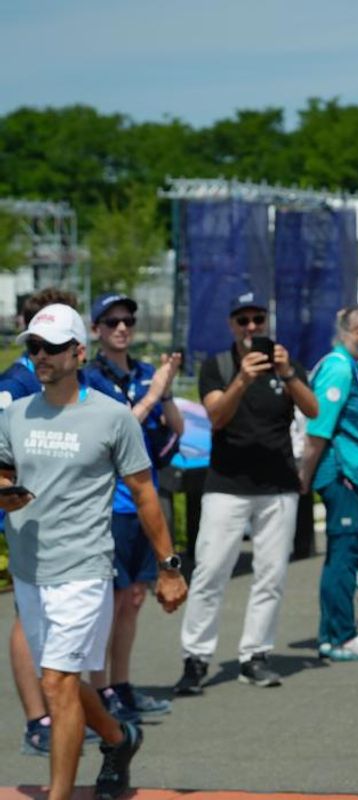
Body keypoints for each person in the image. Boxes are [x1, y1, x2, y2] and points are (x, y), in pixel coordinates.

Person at [0, 303, 188, 800]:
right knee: (55, 679)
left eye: (52, 347)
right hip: (29, 568)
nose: (41, 356)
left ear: (79, 353)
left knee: (58, 685)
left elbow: (145, 494)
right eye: (34, 347)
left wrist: (169, 568)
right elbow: (2, 468)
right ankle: (118, 737)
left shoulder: (112, 417)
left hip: (83, 569)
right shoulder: (16, 414)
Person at [174, 291, 319, 695]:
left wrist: (288, 375)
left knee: (271, 576)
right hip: (227, 486)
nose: (251, 328)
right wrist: (242, 378)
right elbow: (216, 417)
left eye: (258, 320)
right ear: (231, 325)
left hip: (278, 486)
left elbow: (313, 410)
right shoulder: (218, 366)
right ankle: (195, 658)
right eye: (243, 321)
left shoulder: (286, 365)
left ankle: (255, 655)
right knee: (210, 572)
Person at [82, 292, 183, 723]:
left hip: (145, 500)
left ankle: (121, 685)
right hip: (111, 503)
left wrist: (166, 392)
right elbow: (115, 428)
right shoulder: (90, 378)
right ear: (96, 331)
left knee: (135, 597)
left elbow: (177, 428)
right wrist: (153, 394)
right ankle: (99, 689)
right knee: (110, 600)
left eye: (128, 320)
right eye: (112, 322)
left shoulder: (144, 373)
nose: (122, 328)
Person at [0, 288, 80, 756]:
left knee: (59, 620)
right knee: (26, 614)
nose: (46, 350)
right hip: (24, 514)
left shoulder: (72, 376)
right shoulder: (16, 383)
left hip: (66, 520)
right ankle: (37, 719)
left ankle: (67, 709)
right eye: (39, 342)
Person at [300, 305, 358, 661]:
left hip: (351, 470)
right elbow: (319, 428)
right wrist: (305, 477)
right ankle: (341, 635)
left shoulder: (350, 365)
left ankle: (332, 635)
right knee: (344, 555)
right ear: (342, 332)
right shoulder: (339, 367)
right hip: (342, 473)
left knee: (343, 554)